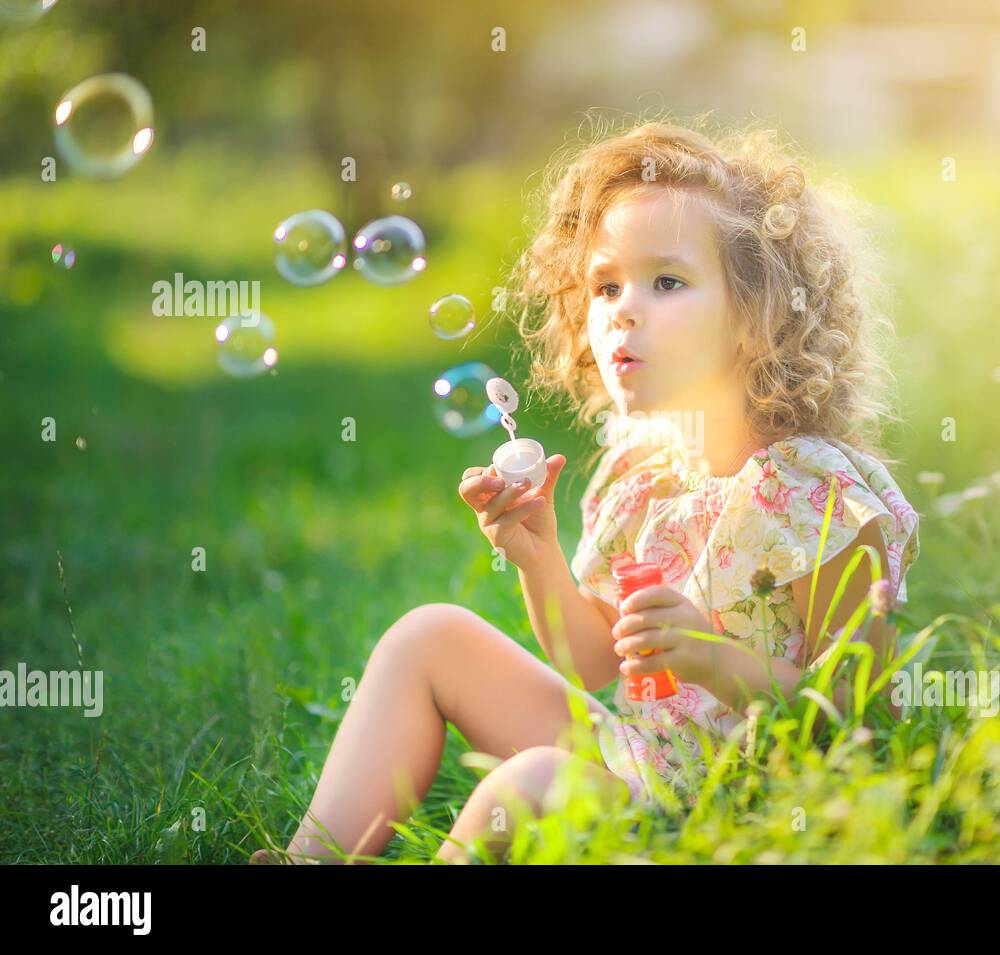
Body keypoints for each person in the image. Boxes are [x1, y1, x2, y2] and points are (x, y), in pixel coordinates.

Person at [251, 118, 920, 865]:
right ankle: (307, 859)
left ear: (754, 315)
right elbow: (598, 662)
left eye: (667, 281)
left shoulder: (817, 498)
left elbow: (863, 720)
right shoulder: (642, 472)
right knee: (428, 635)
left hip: (747, 822)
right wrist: (540, 559)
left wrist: (713, 659)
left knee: (531, 781)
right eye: (606, 285)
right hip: (647, 770)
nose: (623, 309)